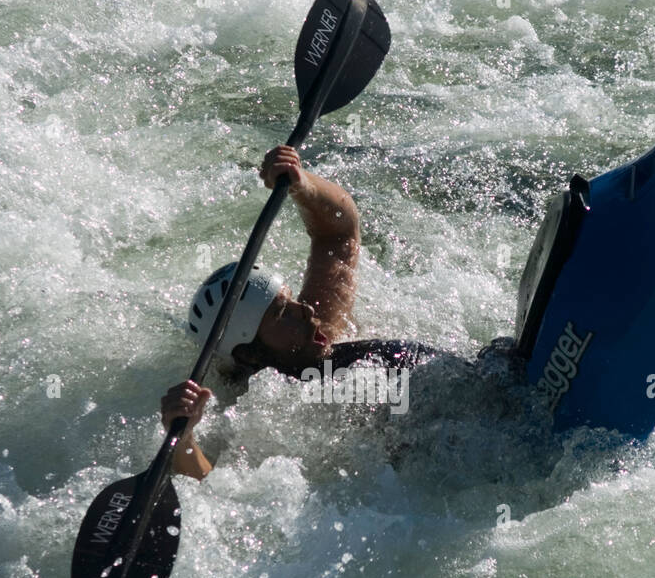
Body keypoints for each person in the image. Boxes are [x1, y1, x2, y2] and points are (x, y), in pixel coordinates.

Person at [162, 144, 447, 479]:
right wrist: (182, 438)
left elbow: (339, 233)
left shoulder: (316, 332)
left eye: (291, 299)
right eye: (282, 313)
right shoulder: (265, 414)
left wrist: (301, 184)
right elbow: (210, 480)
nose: (306, 309)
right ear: (250, 355)